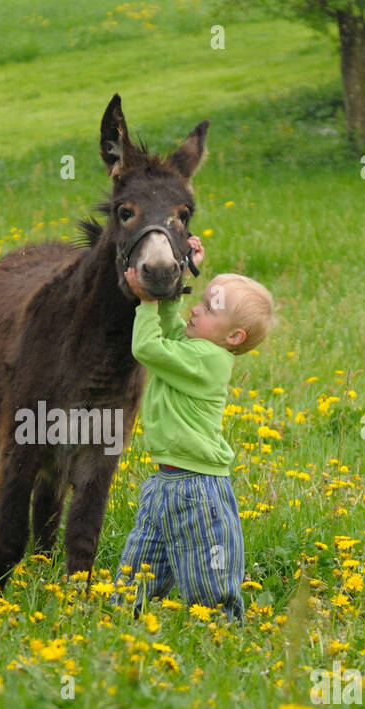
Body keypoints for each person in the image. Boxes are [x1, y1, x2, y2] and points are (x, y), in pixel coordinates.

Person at [114, 236, 275, 623]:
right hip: (163, 484)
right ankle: (122, 620)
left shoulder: (211, 361)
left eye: (207, 310)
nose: (194, 311)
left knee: (208, 571)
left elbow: (150, 348)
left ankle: (220, 628)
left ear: (232, 337)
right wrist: (180, 271)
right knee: (137, 569)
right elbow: (170, 336)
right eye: (199, 302)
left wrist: (148, 302)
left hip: (197, 490)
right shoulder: (195, 348)